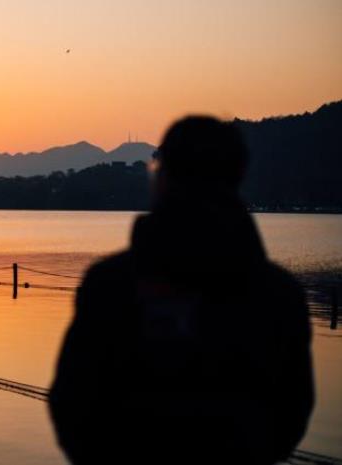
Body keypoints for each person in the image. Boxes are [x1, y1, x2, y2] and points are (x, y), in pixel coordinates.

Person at [48, 116, 314, 464]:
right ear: (237, 178)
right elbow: (292, 411)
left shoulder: (111, 284)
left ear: (163, 178)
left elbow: (72, 403)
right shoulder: (278, 294)